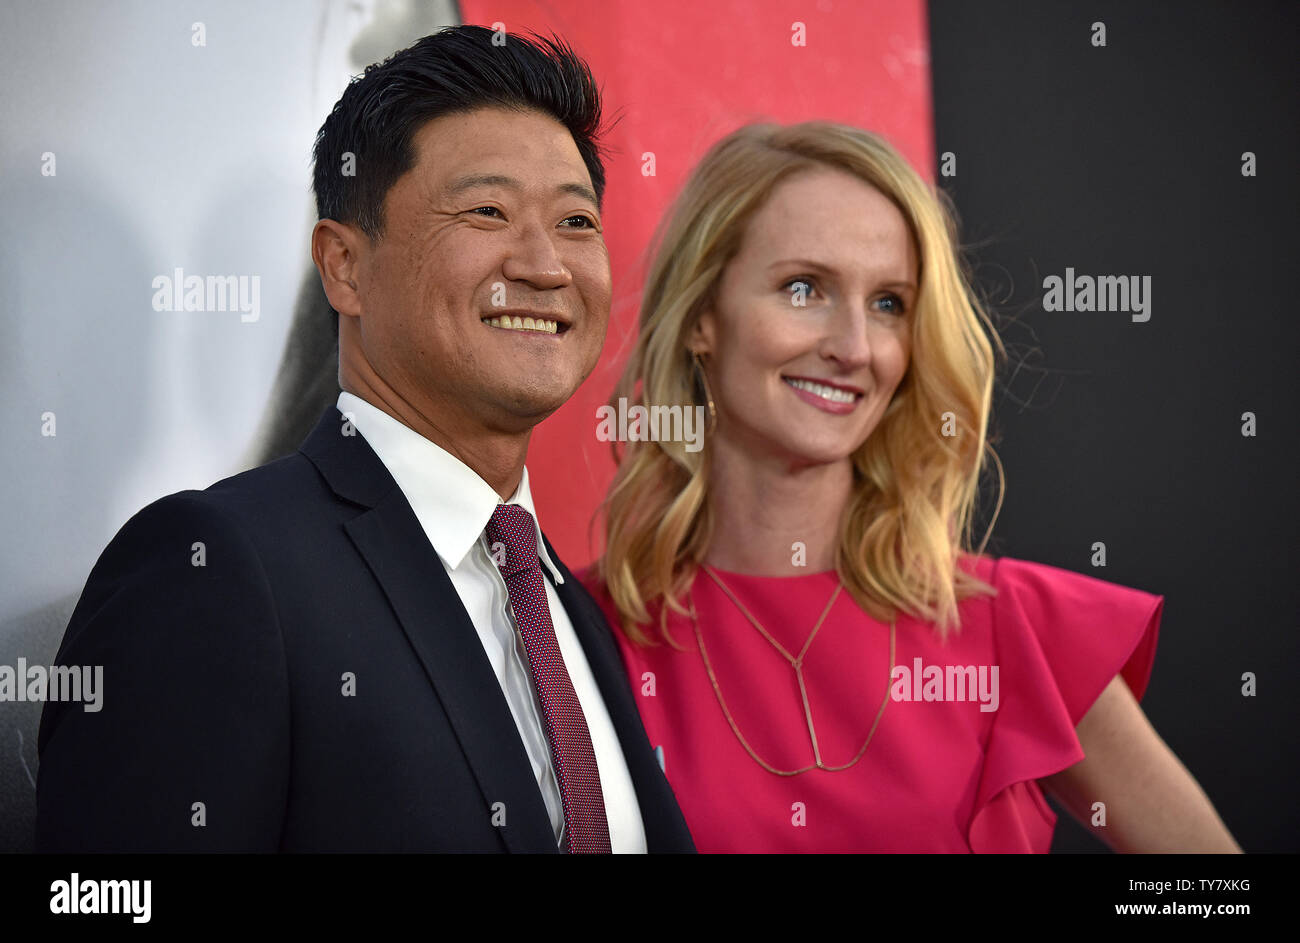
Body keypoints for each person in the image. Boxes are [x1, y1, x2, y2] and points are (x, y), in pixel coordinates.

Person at [35, 26, 693, 854]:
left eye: (575, 220)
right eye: (488, 211)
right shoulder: (215, 570)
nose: (545, 264)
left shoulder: (563, 604)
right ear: (344, 265)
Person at [580, 121, 1240, 853]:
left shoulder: (1012, 628)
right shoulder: (581, 636)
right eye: (805, 288)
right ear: (704, 316)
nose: (855, 347)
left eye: (889, 303)